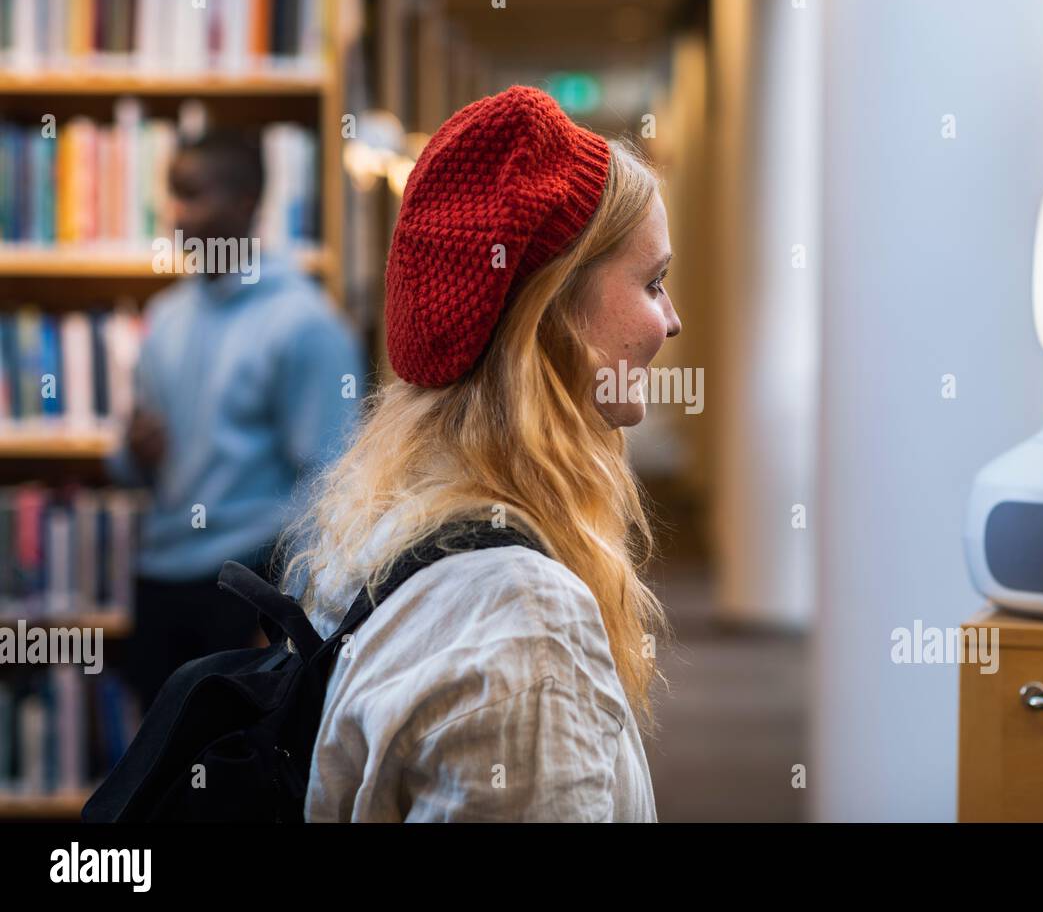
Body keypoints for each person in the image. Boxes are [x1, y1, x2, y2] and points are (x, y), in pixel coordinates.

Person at [282, 85, 681, 822]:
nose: (673, 321)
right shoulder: (527, 623)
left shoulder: (387, 530)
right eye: (653, 282)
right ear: (553, 315)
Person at [105, 129, 365, 713]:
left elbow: (332, 482)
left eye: (191, 194)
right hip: (158, 581)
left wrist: (285, 604)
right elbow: (129, 466)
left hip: (245, 587)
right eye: (172, 194)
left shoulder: (305, 324)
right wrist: (131, 454)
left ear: (245, 202)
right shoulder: (165, 318)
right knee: (160, 790)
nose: (173, 213)